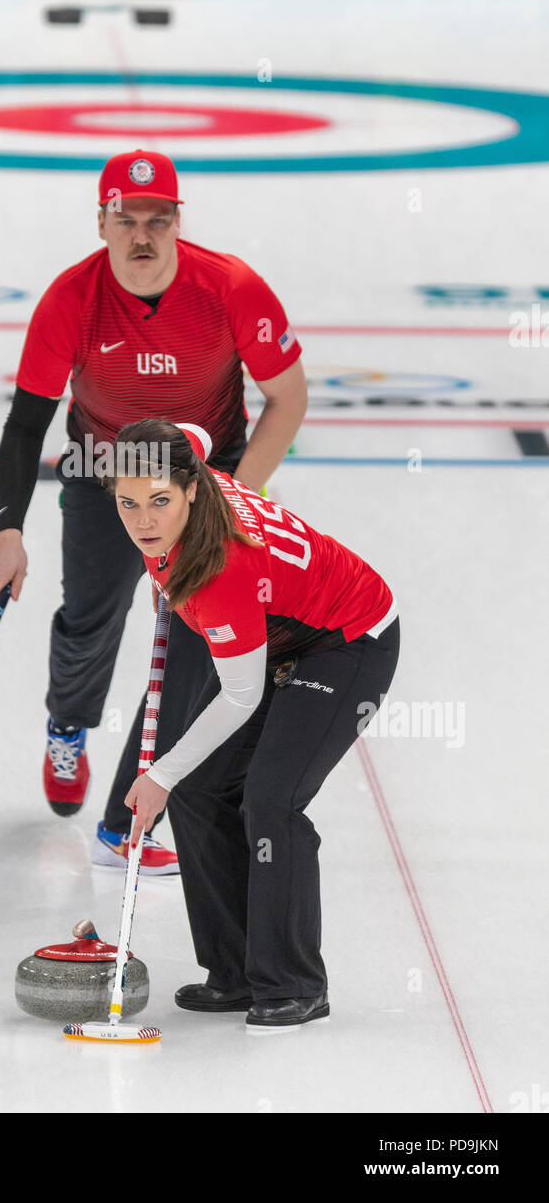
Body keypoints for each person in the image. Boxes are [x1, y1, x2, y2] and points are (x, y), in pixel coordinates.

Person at [0, 148, 307, 874]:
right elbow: (23, 425)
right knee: (91, 618)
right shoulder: (70, 299)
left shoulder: (231, 288)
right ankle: (68, 724)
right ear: (102, 224)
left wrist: (234, 495)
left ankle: (121, 822)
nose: (141, 236)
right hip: (105, 473)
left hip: (204, 476)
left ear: (176, 222)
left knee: (199, 643)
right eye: (124, 219)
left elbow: (288, 398)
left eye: (157, 220)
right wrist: (9, 532)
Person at [111, 419, 400, 1027]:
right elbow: (192, 431)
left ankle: (295, 982)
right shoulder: (185, 464)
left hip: (347, 642)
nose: (143, 521)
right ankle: (235, 971)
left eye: (160, 501)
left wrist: (159, 774)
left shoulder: (220, 570)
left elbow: (240, 697)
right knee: (200, 790)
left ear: (192, 490)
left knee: (271, 800)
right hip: (273, 634)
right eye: (128, 502)